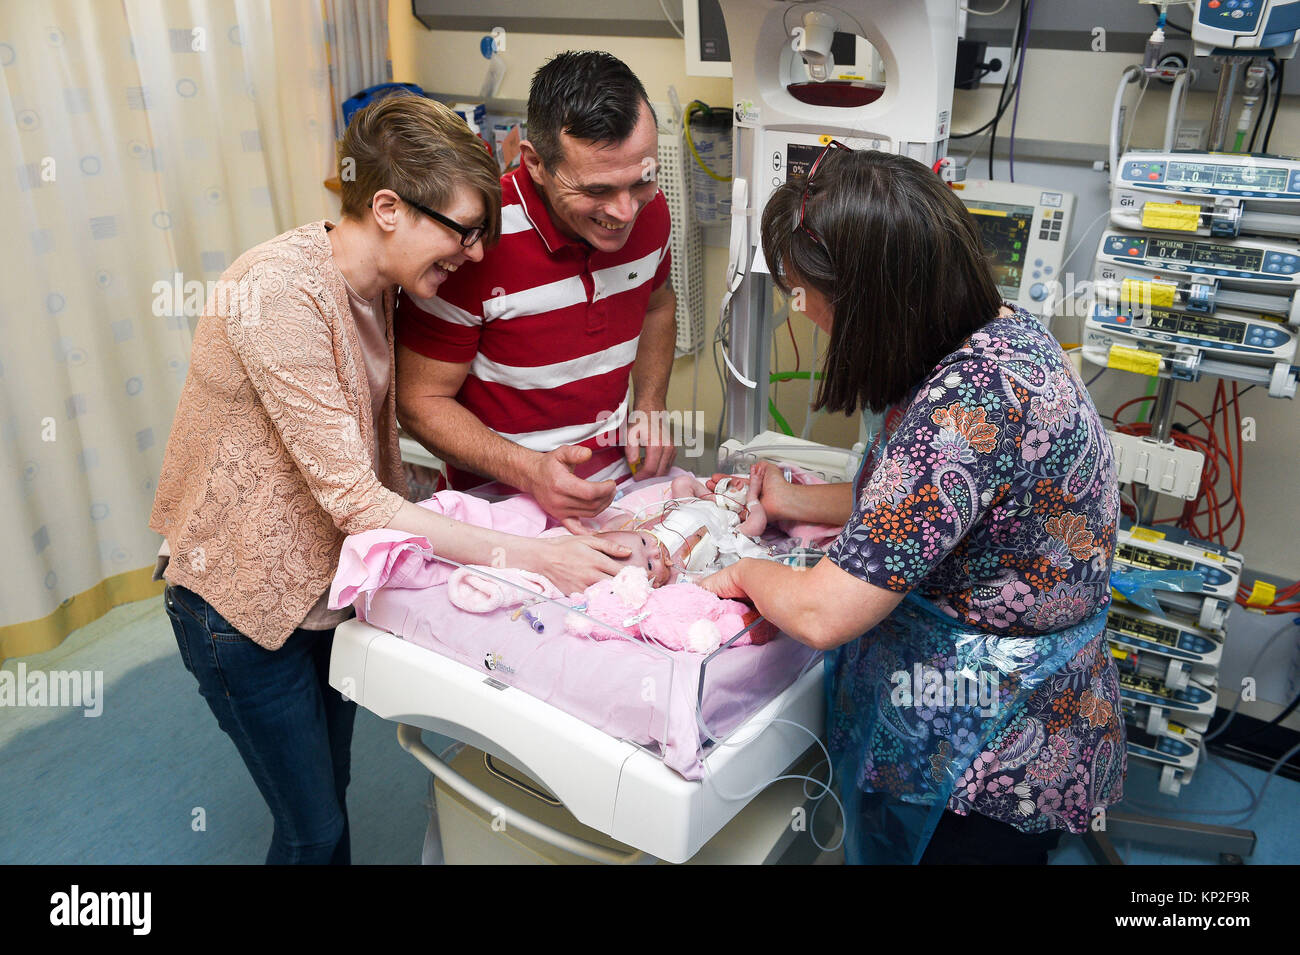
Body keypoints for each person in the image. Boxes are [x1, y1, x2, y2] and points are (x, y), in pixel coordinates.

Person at [149, 95, 631, 865]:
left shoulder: (383, 291)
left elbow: (379, 444)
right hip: (235, 603)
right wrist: (533, 557)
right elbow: (356, 499)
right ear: (385, 207)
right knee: (316, 829)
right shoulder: (278, 294)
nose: (475, 256)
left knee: (327, 793)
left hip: (320, 589)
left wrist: (532, 484)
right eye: (463, 232)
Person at [699, 145, 1126, 864]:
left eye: (808, 294)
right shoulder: (998, 333)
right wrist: (792, 499)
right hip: (1030, 695)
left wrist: (742, 572)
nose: (802, 310)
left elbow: (821, 613)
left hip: (990, 745)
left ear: (871, 302)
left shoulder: (965, 409)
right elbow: (923, 508)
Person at [395, 51, 679, 528]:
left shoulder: (650, 213)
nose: (626, 212)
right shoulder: (474, 242)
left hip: (619, 490)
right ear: (536, 164)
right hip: (500, 512)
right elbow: (419, 403)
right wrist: (530, 473)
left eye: (640, 181)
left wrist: (650, 402)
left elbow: (657, 306)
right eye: (596, 191)